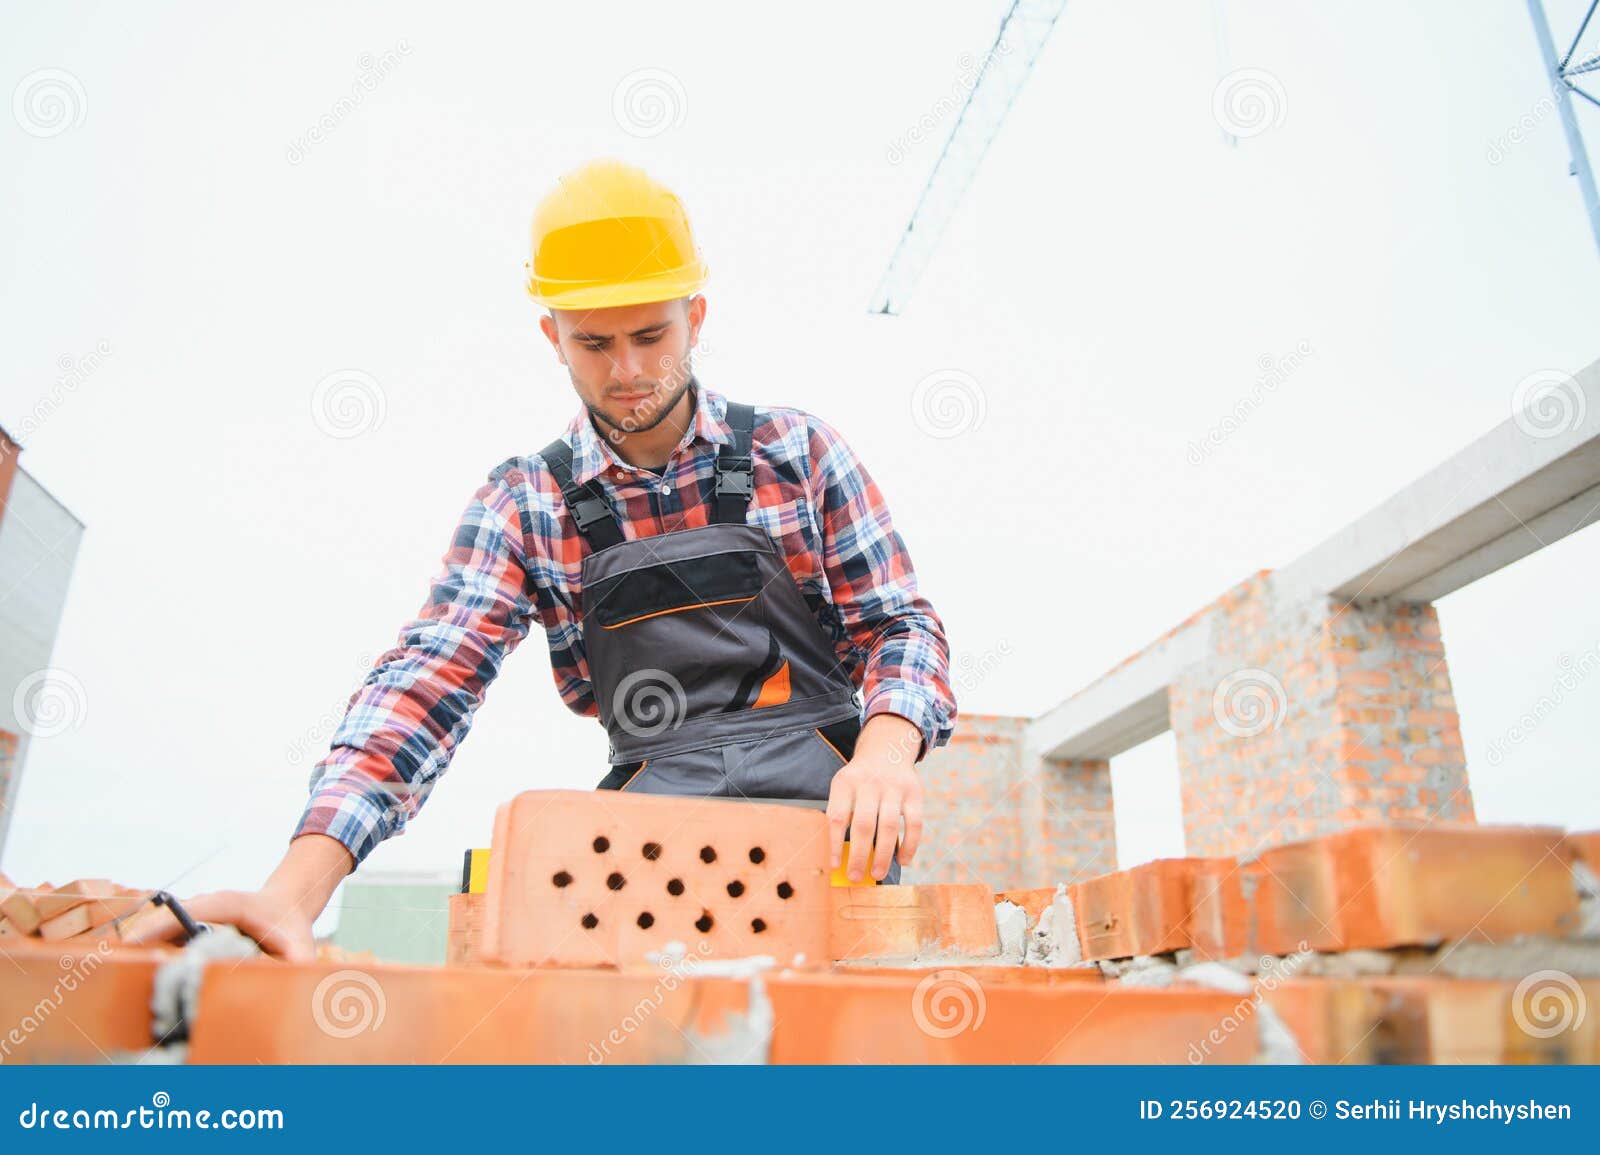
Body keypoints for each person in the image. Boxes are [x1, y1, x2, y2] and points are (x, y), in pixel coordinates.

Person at [143, 159, 956, 961]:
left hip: (832, 853)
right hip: (649, 864)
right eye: (594, 343)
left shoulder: (799, 454)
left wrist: (885, 754)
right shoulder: (527, 503)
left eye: (652, 334)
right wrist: (295, 889)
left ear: (697, 316)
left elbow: (899, 627)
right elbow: (428, 682)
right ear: (552, 337)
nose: (629, 370)